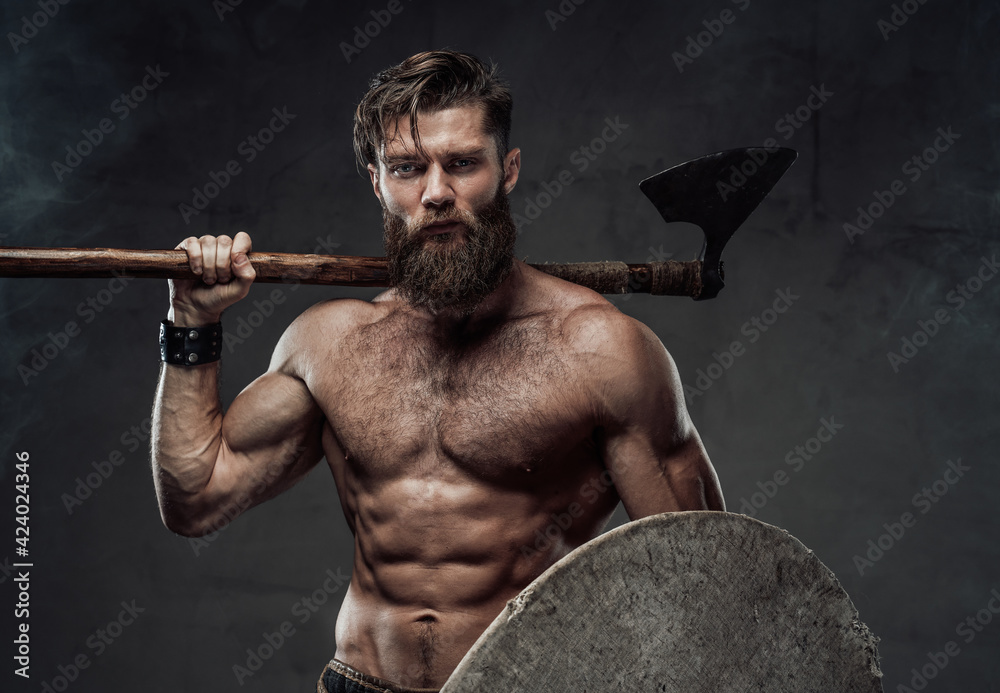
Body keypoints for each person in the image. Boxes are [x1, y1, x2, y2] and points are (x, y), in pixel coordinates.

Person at [150, 49, 725, 693]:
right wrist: (192, 321)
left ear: (507, 170)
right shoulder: (328, 343)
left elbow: (703, 580)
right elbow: (196, 500)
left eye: (462, 164)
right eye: (407, 169)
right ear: (378, 182)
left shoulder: (603, 351)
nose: (435, 193)